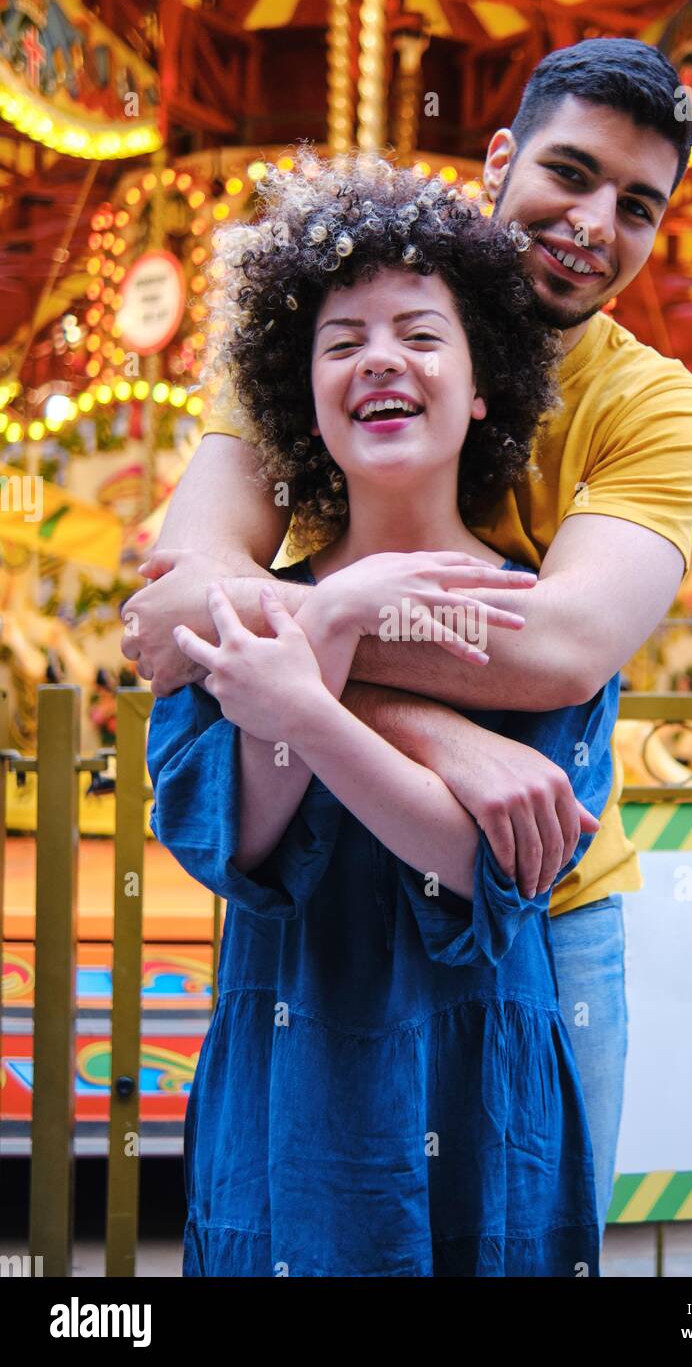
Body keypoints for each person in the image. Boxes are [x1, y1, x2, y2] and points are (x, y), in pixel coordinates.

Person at [124, 38, 692, 1238]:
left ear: (486, 389)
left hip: (534, 908)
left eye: (638, 206)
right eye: (570, 171)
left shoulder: (649, 402)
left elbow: (556, 653)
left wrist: (308, 661)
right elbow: (176, 603)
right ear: (499, 157)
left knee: (503, 1215)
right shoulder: (327, 324)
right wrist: (421, 711)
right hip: (315, 916)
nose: (593, 224)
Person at [147, 153, 619, 1276]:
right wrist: (333, 613)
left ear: (482, 379)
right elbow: (235, 841)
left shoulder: (533, 616)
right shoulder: (232, 606)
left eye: (419, 332)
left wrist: (309, 694)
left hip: (477, 1082)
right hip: (289, 1064)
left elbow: (484, 864)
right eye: (341, 342)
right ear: (299, 397)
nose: (380, 362)